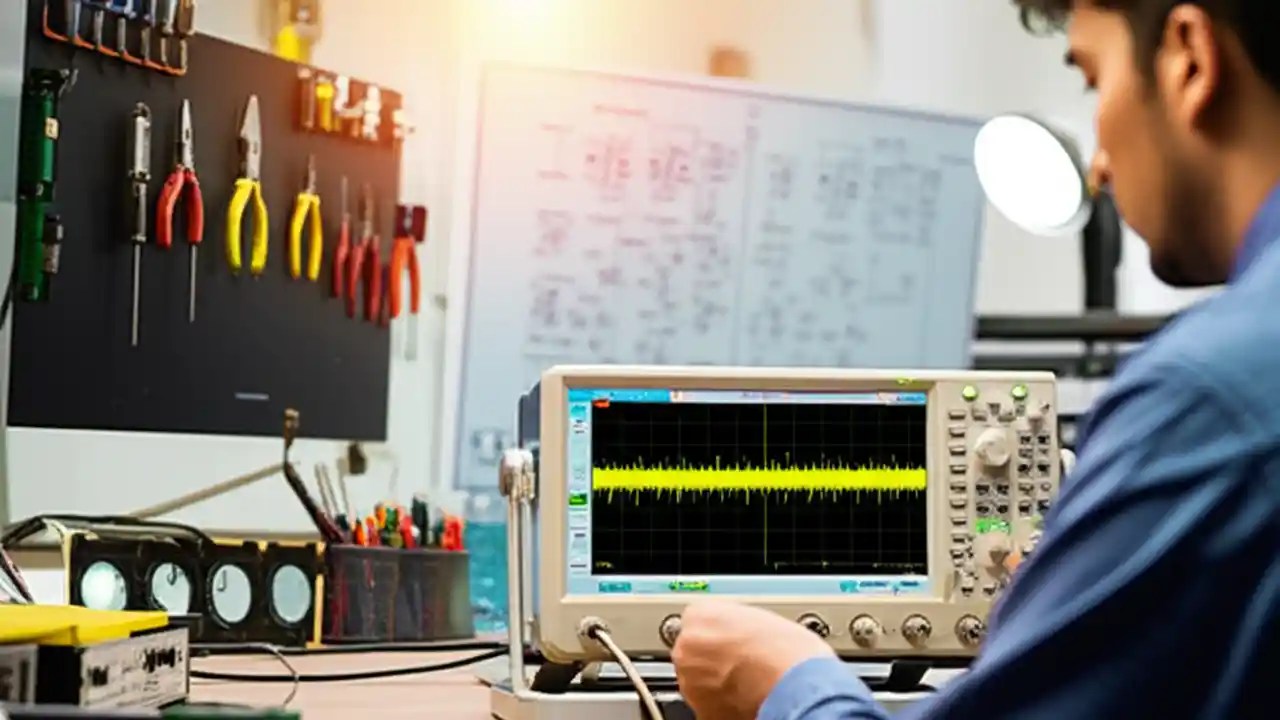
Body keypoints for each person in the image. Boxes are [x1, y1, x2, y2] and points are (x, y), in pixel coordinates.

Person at [670, 1, 1280, 718]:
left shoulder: (1207, 404)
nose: (1100, 166)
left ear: (1189, 59)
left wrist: (788, 681)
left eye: (1092, 78)